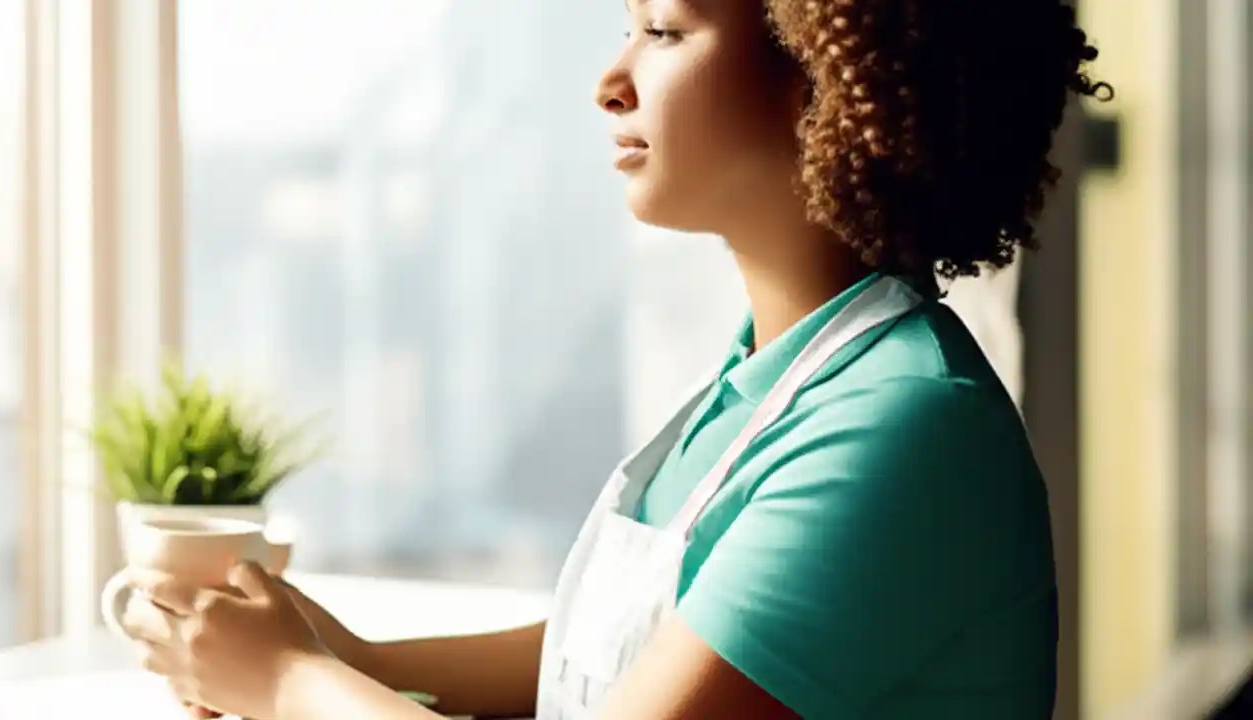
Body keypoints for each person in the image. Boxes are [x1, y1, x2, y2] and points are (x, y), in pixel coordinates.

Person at [124, 0, 1111, 717]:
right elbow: (639, 656)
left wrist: (293, 683)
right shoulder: (769, 381)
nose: (610, 79)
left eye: (665, 30)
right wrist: (352, 656)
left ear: (824, 82)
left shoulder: (903, 431)